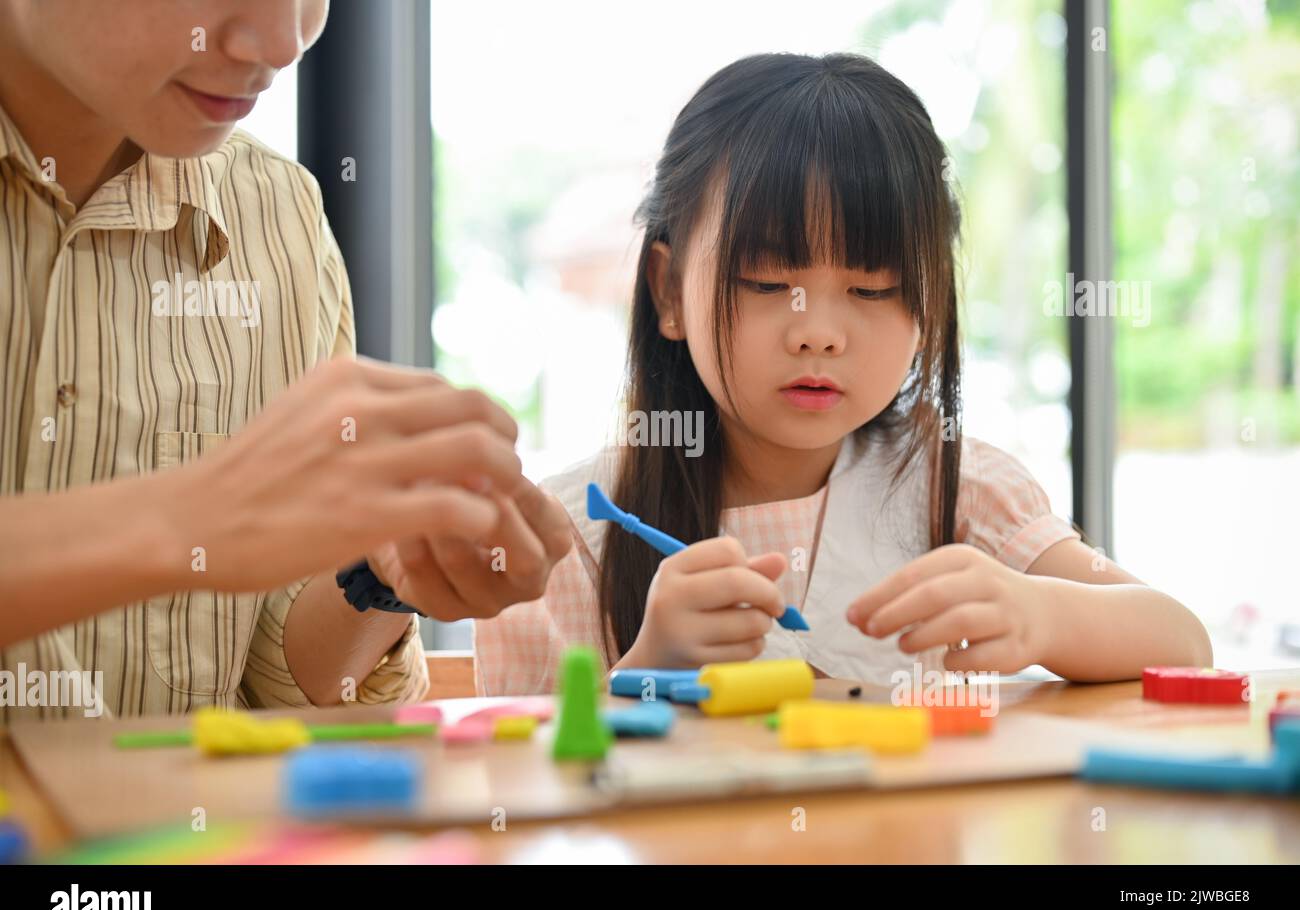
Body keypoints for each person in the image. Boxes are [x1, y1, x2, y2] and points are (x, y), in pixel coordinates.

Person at [473, 52, 1211, 695]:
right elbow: (523, 785)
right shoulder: (575, 530)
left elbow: (1180, 641)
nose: (819, 333)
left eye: (873, 289)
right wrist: (646, 669)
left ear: (927, 303)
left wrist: (1041, 613)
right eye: (766, 282)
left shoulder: (957, 490)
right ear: (668, 291)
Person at [0, 0, 571, 721]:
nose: (282, 41)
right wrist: (182, 520)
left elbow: (279, 693)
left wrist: (385, 574)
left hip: (192, 837)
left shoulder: (281, 218)